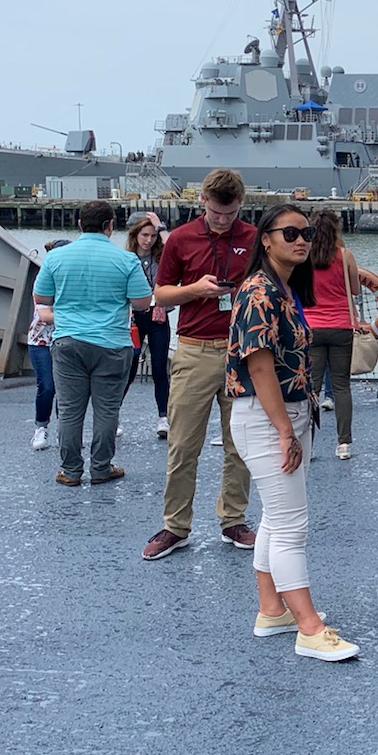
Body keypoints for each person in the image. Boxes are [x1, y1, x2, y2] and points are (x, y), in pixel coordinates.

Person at [228, 204, 359, 662]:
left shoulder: (282, 287)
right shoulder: (259, 291)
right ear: (265, 239)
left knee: (274, 518)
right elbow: (258, 363)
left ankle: (272, 609)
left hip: (285, 415)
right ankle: (309, 627)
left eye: (305, 232)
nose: (301, 240)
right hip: (268, 418)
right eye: (290, 233)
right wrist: (285, 429)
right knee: (290, 526)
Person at [143, 169, 260, 560]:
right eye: (216, 214)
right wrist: (196, 290)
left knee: (239, 444)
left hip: (241, 350)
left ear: (240, 206)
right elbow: (160, 294)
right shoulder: (179, 238)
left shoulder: (253, 238)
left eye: (230, 215)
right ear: (203, 203)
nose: (223, 221)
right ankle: (175, 525)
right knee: (182, 445)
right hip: (193, 349)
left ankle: (234, 520)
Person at [33, 200, 151, 487]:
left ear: (79, 225)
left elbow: (42, 300)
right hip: (112, 343)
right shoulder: (126, 260)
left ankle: (70, 470)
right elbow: (143, 302)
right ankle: (101, 466)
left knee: (71, 410)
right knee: (107, 409)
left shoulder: (56, 258)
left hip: (68, 341)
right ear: (110, 226)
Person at [300, 209, 367, 461]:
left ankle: (308, 445)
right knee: (341, 386)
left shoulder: (303, 256)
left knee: (312, 388)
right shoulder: (345, 255)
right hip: (341, 327)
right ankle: (344, 444)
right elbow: (357, 290)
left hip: (311, 328)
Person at [123, 214, 171, 439]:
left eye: (153, 236)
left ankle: (164, 417)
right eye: (144, 235)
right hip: (134, 318)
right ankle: (113, 416)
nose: (149, 240)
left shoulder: (162, 257)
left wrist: (161, 227)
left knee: (160, 368)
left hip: (158, 316)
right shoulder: (125, 258)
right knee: (128, 369)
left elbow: (174, 246)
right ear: (135, 235)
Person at [26, 238, 70, 451]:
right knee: (47, 386)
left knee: (67, 388)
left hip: (67, 339)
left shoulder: (75, 281)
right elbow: (44, 315)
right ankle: (40, 427)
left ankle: (66, 430)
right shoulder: (43, 280)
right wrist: (79, 315)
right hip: (41, 341)